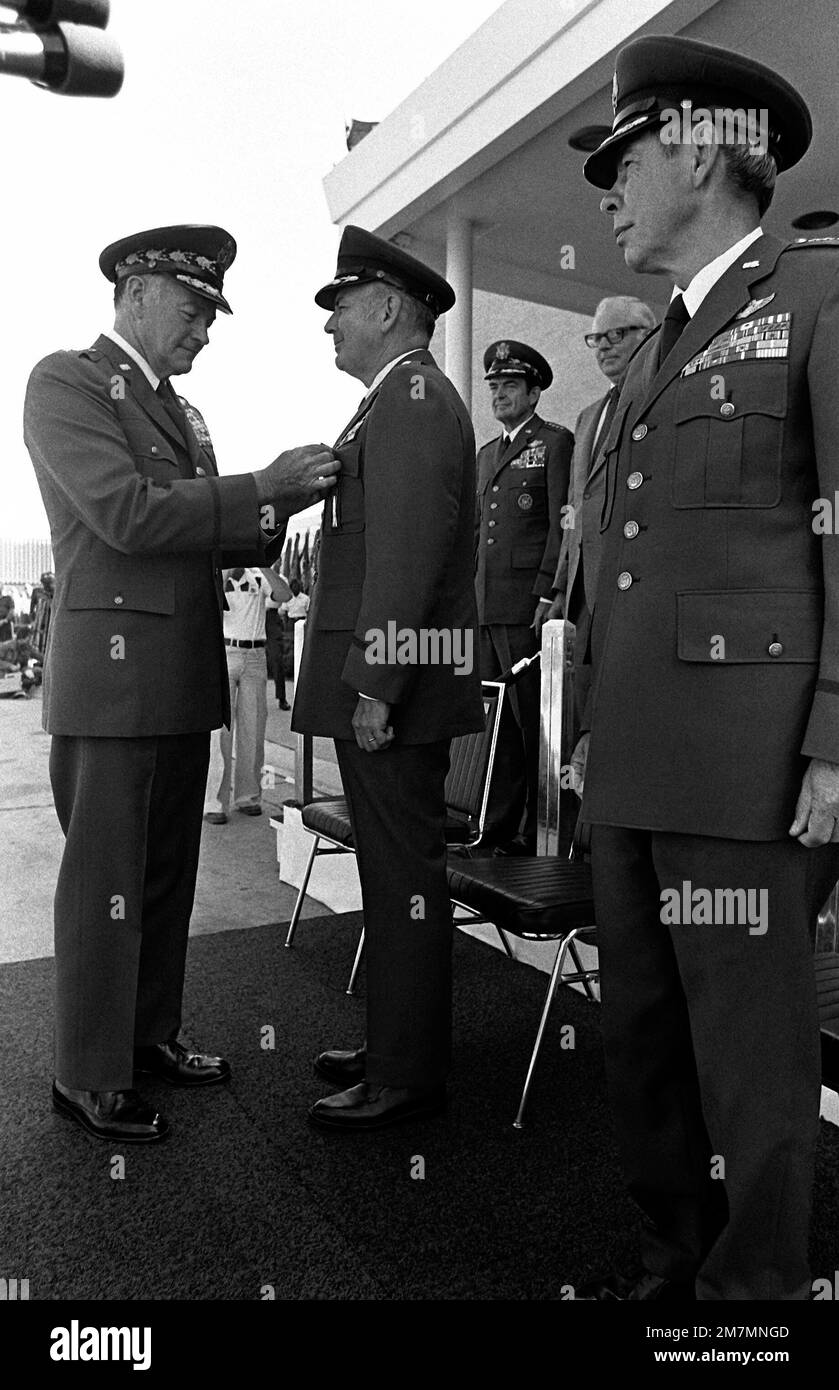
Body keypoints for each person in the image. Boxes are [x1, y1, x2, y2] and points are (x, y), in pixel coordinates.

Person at [573, 35, 839, 1301]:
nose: (607, 190)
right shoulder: (657, 346)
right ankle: (670, 1273)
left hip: (743, 773)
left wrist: (835, 742)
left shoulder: (819, 294)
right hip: (630, 764)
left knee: (747, 1061)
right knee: (643, 1048)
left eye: (622, 158)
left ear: (696, 141)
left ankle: (752, 1304)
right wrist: (587, 733)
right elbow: (622, 563)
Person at [23, 223, 338, 1145]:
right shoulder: (68, 381)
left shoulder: (182, 414)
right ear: (135, 293)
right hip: (112, 685)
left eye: (211, 313)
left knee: (163, 879)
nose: (205, 328)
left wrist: (289, 499)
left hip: (173, 680)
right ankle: (87, 1071)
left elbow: (212, 530)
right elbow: (125, 513)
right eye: (195, 307)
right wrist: (258, 483)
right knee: (105, 882)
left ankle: (148, 1036)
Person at [293, 224, 483, 1131]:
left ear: (385, 308)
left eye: (339, 309)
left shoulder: (408, 397)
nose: (330, 325)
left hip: (391, 692)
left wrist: (376, 681)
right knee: (389, 875)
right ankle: (398, 1043)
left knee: (405, 878)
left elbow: (407, 554)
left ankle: (408, 1075)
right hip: (386, 684)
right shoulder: (389, 400)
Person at [475, 341, 572, 852]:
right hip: (488, 607)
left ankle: (540, 832)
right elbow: (477, 534)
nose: (500, 395)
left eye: (510, 386)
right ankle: (497, 825)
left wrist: (547, 592)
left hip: (526, 611)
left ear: (534, 393)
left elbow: (563, 522)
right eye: (494, 387)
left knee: (533, 724)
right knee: (497, 727)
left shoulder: (554, 443)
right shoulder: (486, 453)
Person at [542, 296, 656, 721]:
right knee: (584, 711)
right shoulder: (588, 417)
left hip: (634, 580)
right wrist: (559, 587)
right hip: (584, 591)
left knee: (630, 706)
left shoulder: (659, 401)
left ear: (649, 336)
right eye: (597, 338)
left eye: (618, 334)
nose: (605, 346)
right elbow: (576, 505)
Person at [204, 565, 291, 824]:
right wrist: (228, 569)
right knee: (219, 730)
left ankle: (248, 796)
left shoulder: (259, 575)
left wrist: (264, 565)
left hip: (254, 654)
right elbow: (210, 598)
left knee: (253, 728)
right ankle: (214, 802)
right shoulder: (219, 570)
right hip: (225, 649)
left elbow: (284, 595)